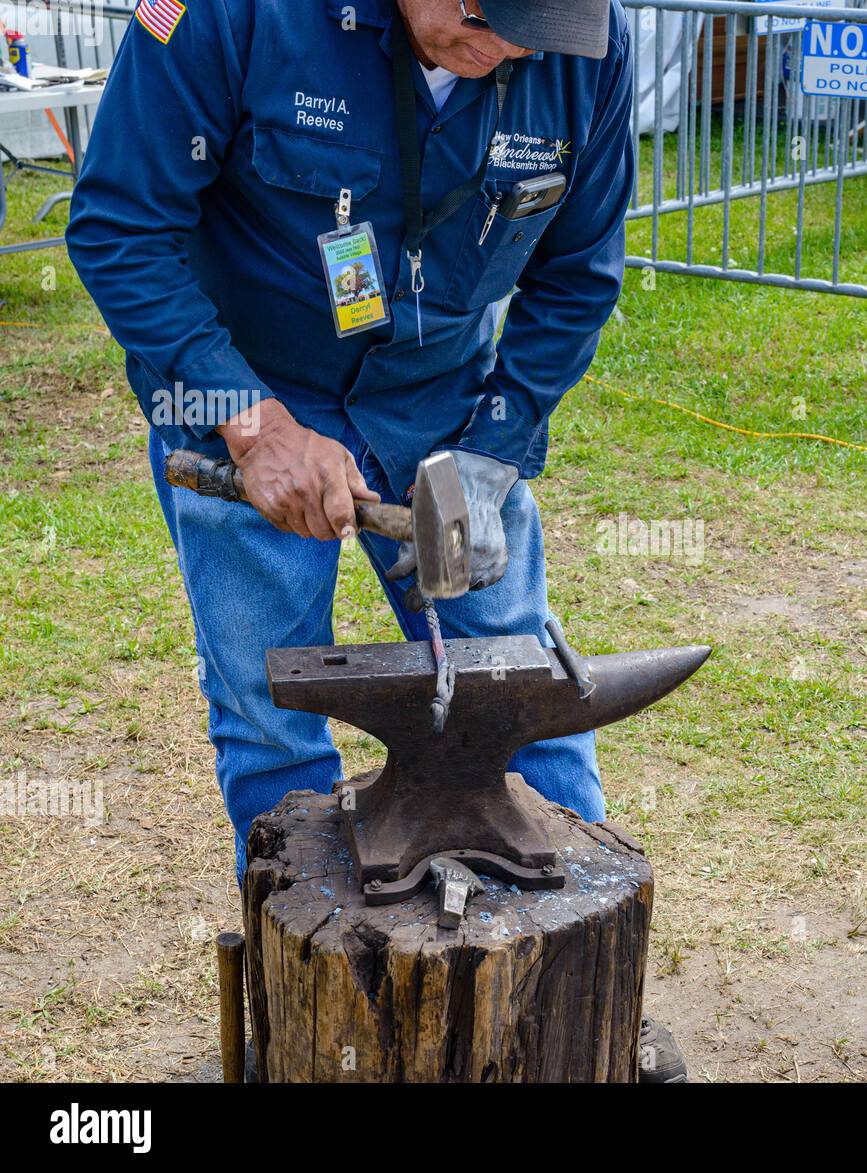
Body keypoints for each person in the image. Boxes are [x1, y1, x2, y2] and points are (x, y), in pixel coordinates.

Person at [67, 0, 687, 1082]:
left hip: (444, 409)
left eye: (541, 32)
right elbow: (120, 225)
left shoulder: (583, 42)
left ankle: (575, 992)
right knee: (273, 718)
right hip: (249, 392)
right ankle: (310, 1029)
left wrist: (492, 453)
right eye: (486, 17)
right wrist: (253, 428)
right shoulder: (230, 13)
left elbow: (577, 275)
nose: (510, 51)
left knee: (528, 693)